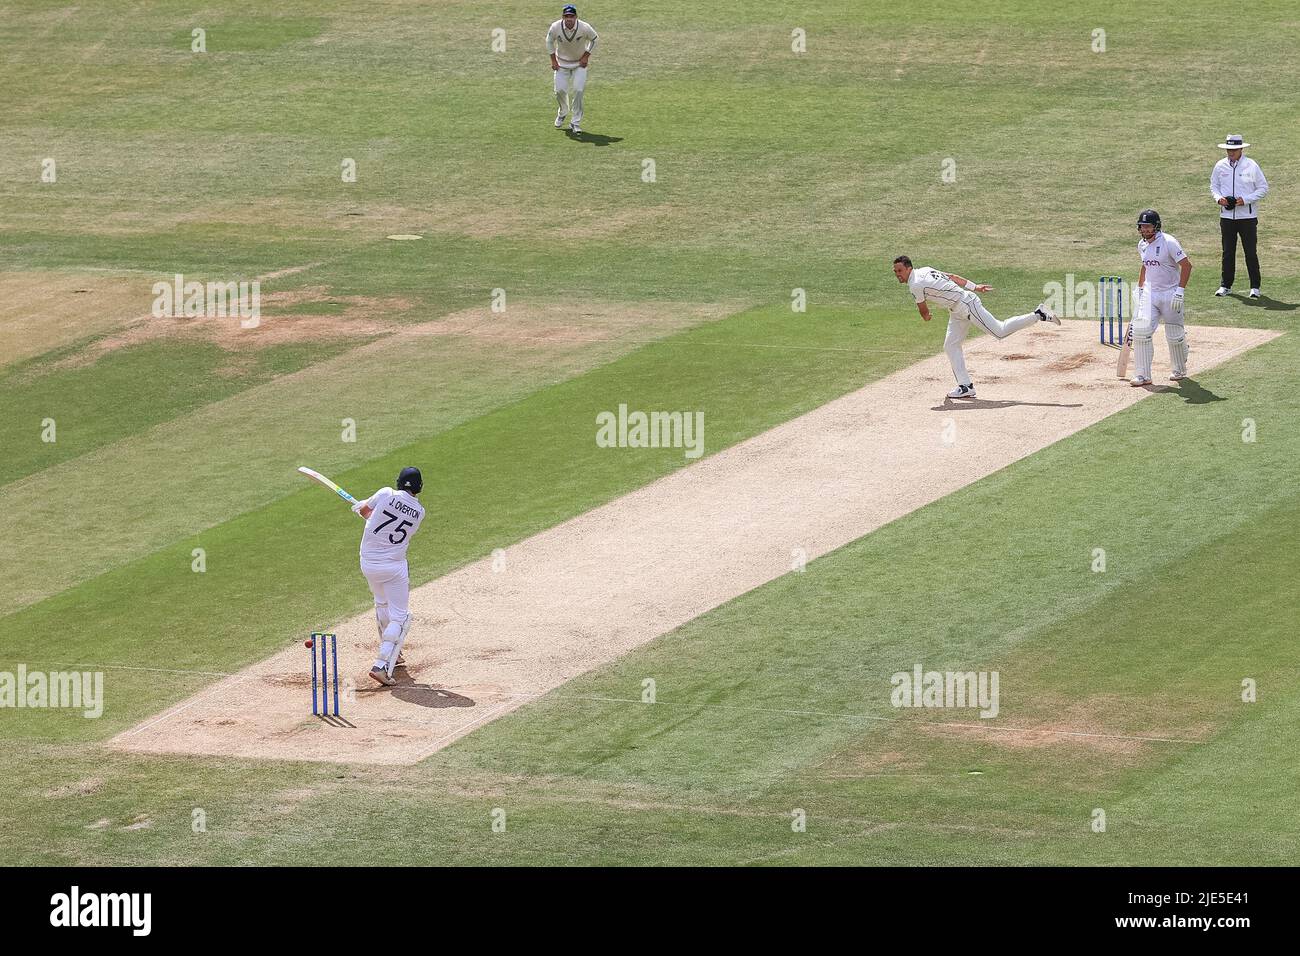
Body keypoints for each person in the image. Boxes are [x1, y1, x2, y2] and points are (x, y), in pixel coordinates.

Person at [892, 255, 1060, 399]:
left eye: (899, 270)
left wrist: (927, 317)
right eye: (895, 271)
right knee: (950, 346)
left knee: (999, 331)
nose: (897, 274)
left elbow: (923, 310)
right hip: (957, 309)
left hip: (966, 305)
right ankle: (965, 387)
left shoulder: (915, 284)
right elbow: (951, 276)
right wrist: (975, 286)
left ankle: (1038, 314)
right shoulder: (925, 269)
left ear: (908, 268)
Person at [352, 467, 426, 686]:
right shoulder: (420, 512)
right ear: (420, 487)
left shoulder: (385, 493)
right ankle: (381, 665)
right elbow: (387, 522)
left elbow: (367, 513)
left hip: (368, 564)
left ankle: (394, 652)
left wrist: (360, 508)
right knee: (399, 617)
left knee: (381, 603)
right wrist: (367, 513)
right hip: (393, 567)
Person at [1130, 209, 1192, 386]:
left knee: (1174, 334)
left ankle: (1179, 368)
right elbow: (1145, 266)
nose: (1145, 230)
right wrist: (1140, 288)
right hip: (1151, 293)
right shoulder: (1141, 245)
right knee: (1141, 331)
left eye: (1148, 227)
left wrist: (1180, 291)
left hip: (1171, 293)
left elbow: (1187, 266)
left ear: (1156, 226)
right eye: (1142, 227)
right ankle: (1143, 375)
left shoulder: (1169, 242)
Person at [1211, 134, 1268, 299]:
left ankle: (1255, 287)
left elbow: (1263, 188)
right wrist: (1218, 198)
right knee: (1228, 252)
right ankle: (1225, 285)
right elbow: (1214, 185)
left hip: (1248, 218)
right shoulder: (1220, 166)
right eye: (1228, 149)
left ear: (1241, 149)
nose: (1230, 152)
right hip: (1227, 217)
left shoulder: (1251, 165)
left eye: (1234, 149)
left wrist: (1245, 200)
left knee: (1250, 252)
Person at [547, 5, 598, 134]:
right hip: (561, 64)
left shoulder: (584, 27)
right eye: (566, 16)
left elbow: (595, 39)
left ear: (576, 17)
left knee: (578, 90)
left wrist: (586, 56)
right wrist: (553, 60)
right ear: (563, 17)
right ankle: (563, 112)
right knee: (559, 90)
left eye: (571, 16)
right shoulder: (555, 27)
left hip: (579, 64)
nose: (569, 19)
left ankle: (575, 122)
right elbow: (549, 41)